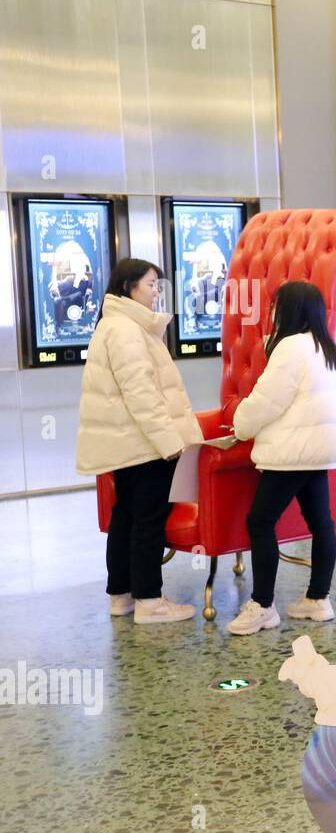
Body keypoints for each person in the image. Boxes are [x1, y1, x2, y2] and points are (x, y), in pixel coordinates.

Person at [226, 281, 336, 636]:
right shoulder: (325, 347)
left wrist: (239, 424)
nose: (271, 313)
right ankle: (318, 599)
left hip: (293, 453)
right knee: (322, 522)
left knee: (260, 521)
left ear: (288, 311)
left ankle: (263, 605)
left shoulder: (290, 348)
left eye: (275, 306)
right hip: (322, 450)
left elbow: (267, 401)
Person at [76, 258, 203, 624]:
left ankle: (122, 595)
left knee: (126, 515)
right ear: (130, 286)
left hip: (129, 443)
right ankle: (149, 600)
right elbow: (142, 395)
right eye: (151, 285)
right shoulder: (127, 330)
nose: (156, 292)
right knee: (148, 519)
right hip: (145, 445)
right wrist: (169, 442)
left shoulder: (116, 325)